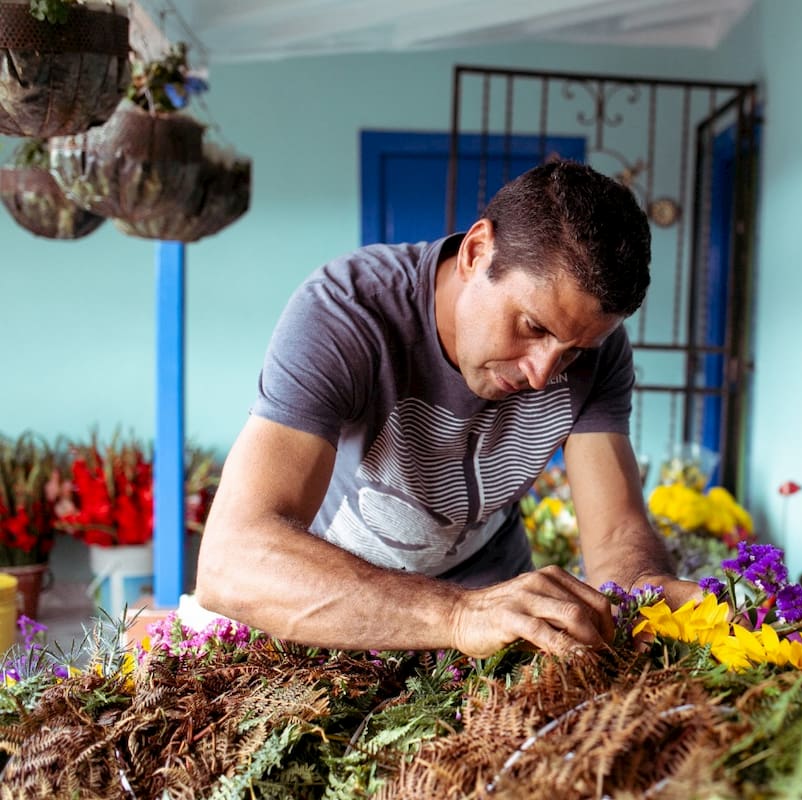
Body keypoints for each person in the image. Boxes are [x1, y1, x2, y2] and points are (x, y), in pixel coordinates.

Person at [195, 160, 697, 659]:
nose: (544, 373)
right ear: (477, 252)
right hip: (335, 604)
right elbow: (231, 560)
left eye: (573, 351)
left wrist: (648, 589)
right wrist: (456, 615)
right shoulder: (344, 313)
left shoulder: (597, 348)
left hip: (491, 609)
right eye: (533, 327)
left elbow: (614, 531)